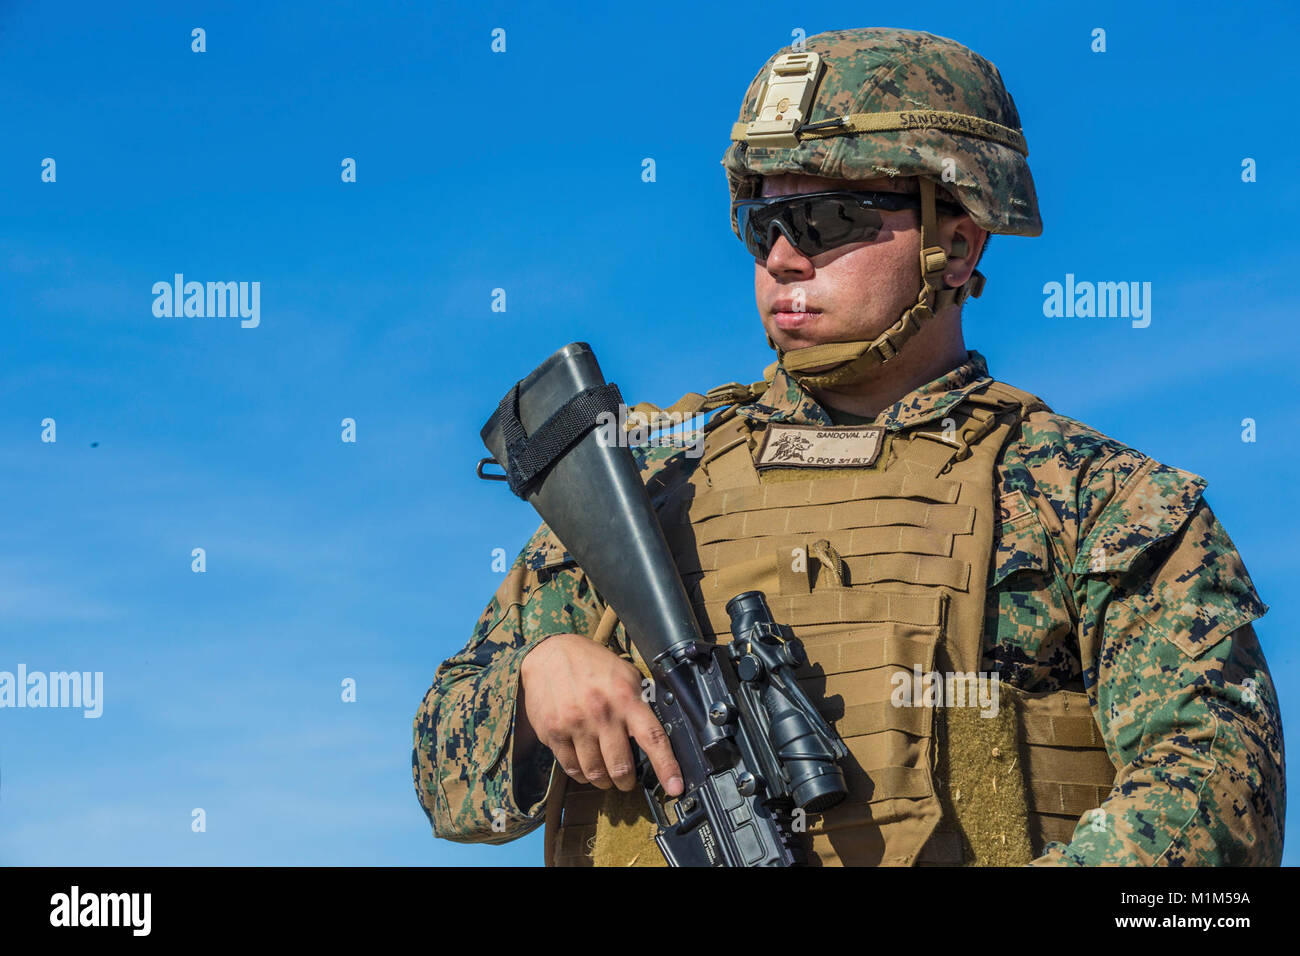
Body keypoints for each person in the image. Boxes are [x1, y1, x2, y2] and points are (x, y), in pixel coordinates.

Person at [412, 27, 1284, 866]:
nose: (784, 258)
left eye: (827, 218)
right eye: (762, 226)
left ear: (958, 237)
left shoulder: (1102, 501)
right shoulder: (645, 477)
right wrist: (536, 678)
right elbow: (443, 777)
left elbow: (1215, 801)